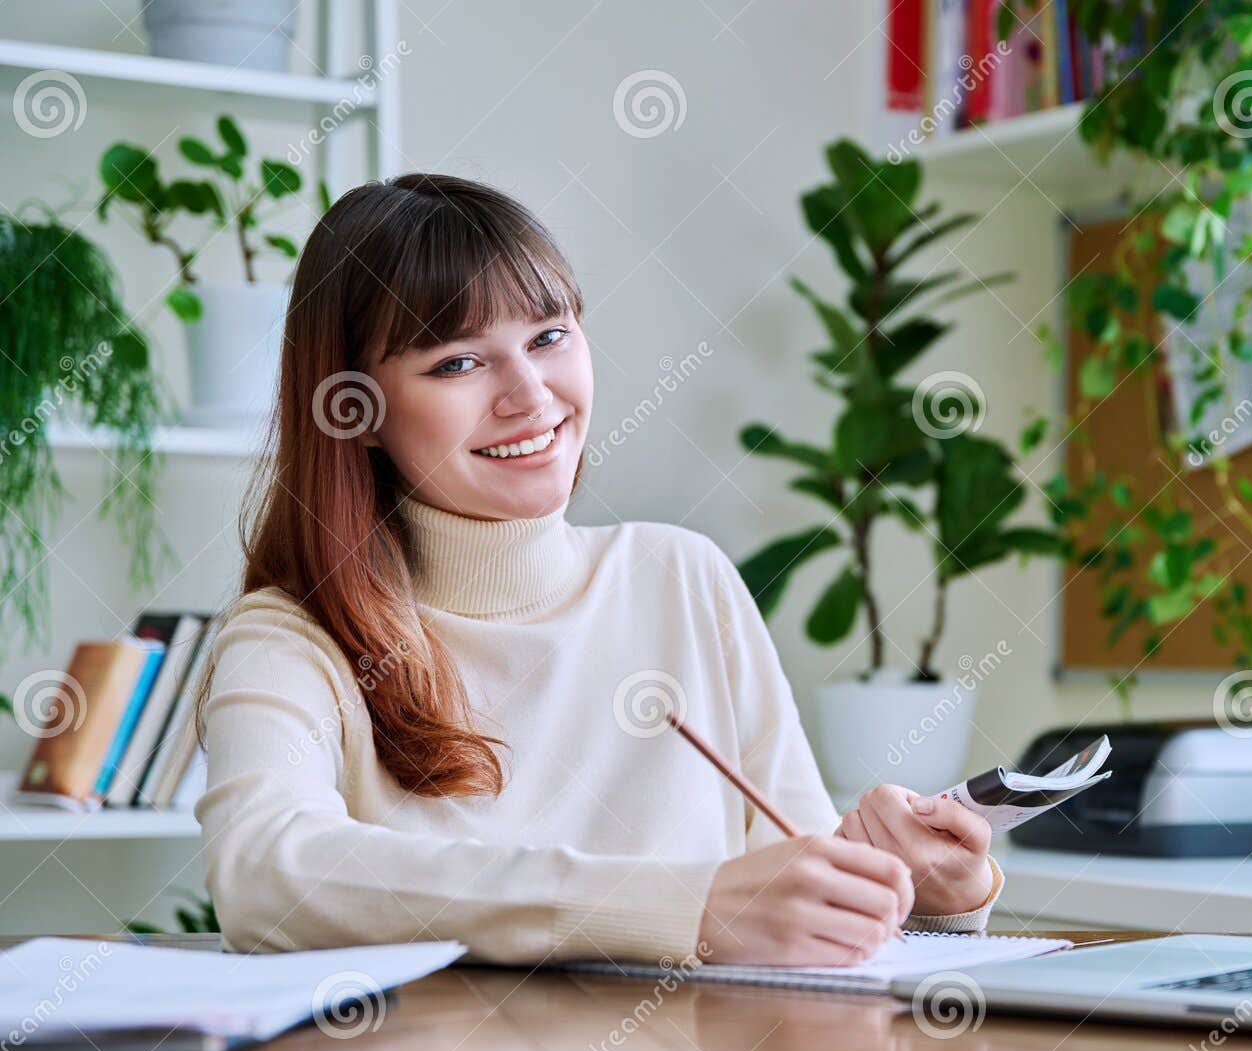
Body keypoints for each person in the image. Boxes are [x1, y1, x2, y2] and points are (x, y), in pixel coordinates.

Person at [196, 172, 1003, 967]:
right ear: (358, 409)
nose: (529, 395)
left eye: (549, 338)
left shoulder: (682, 577)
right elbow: (266, 872)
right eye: (456, 363)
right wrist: (685, 908)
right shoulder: (293, 635)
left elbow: (798, 883)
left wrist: (927, 892)